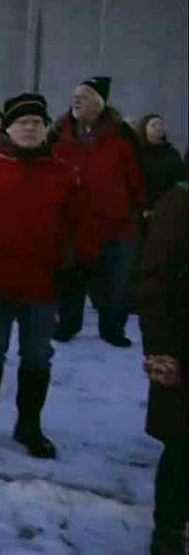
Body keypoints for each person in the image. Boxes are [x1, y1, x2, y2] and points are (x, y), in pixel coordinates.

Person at [0, 93, 95, 460]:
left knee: (38, 358)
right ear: (7, 127)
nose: (31, 127)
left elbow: (78, 225)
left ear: (46, 129)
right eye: (23, 122)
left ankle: (29, 426)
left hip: (42, 284)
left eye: (38, 122)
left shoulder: (63, 172)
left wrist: (72, 273)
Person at [49, 76, 145, 348]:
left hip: (116, 226)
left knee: (115, 284)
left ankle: (112, 329)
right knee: (70, 279)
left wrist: (137, 211)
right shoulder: (59, 134)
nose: (76, 100)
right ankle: (67, 325)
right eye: (75, 96)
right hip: (72, 225)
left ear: (100, 103)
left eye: (85, 95)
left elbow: (136, 179)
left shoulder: (122, 136)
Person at [135, 180, 188, 555]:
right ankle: (169, 528)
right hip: (182, 346)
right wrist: (162, 350)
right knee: (184, 443)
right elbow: (154, 281)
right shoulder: (181, 202)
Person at [135, 114, 188, 221]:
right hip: (151, 206)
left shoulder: (172, 151)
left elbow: (183, 175)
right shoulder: (140, 154)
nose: (158, 127)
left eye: (160, 124)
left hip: (175, 204)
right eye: (153, 125)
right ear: (144, 129)